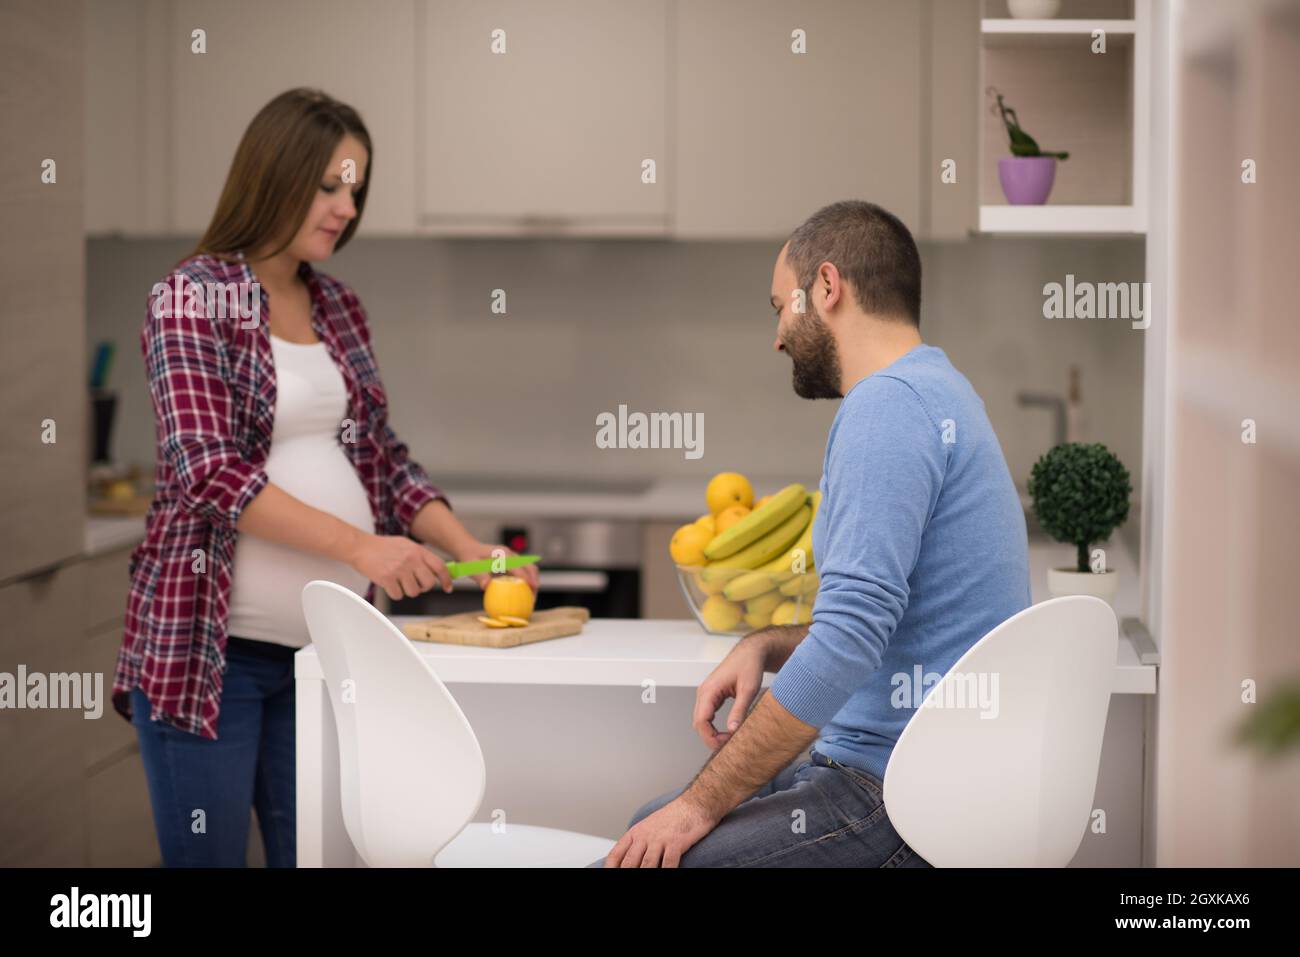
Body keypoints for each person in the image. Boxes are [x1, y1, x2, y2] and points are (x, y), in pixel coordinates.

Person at [112, 88, 538, 867]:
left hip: (326, 658)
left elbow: (382, 456)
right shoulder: (193, 296)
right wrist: (362, 548)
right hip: (210, 656)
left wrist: (471, 546)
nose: (346, 205)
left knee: (320, 859)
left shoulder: (338, 305)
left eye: (356, 188)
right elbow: (206, 471)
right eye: (331, 182)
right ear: (276, 173)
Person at [595, 200, 1031, 867]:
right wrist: (768, 643)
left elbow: (850, 641)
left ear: (826, 287)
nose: (778, 335)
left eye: (780, 306)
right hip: (909, 773)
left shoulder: (887, 406)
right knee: (643, 825)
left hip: (896, 794)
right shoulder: (939, 391)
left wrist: (699, 803)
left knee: (652, 848)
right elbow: (887, 623)